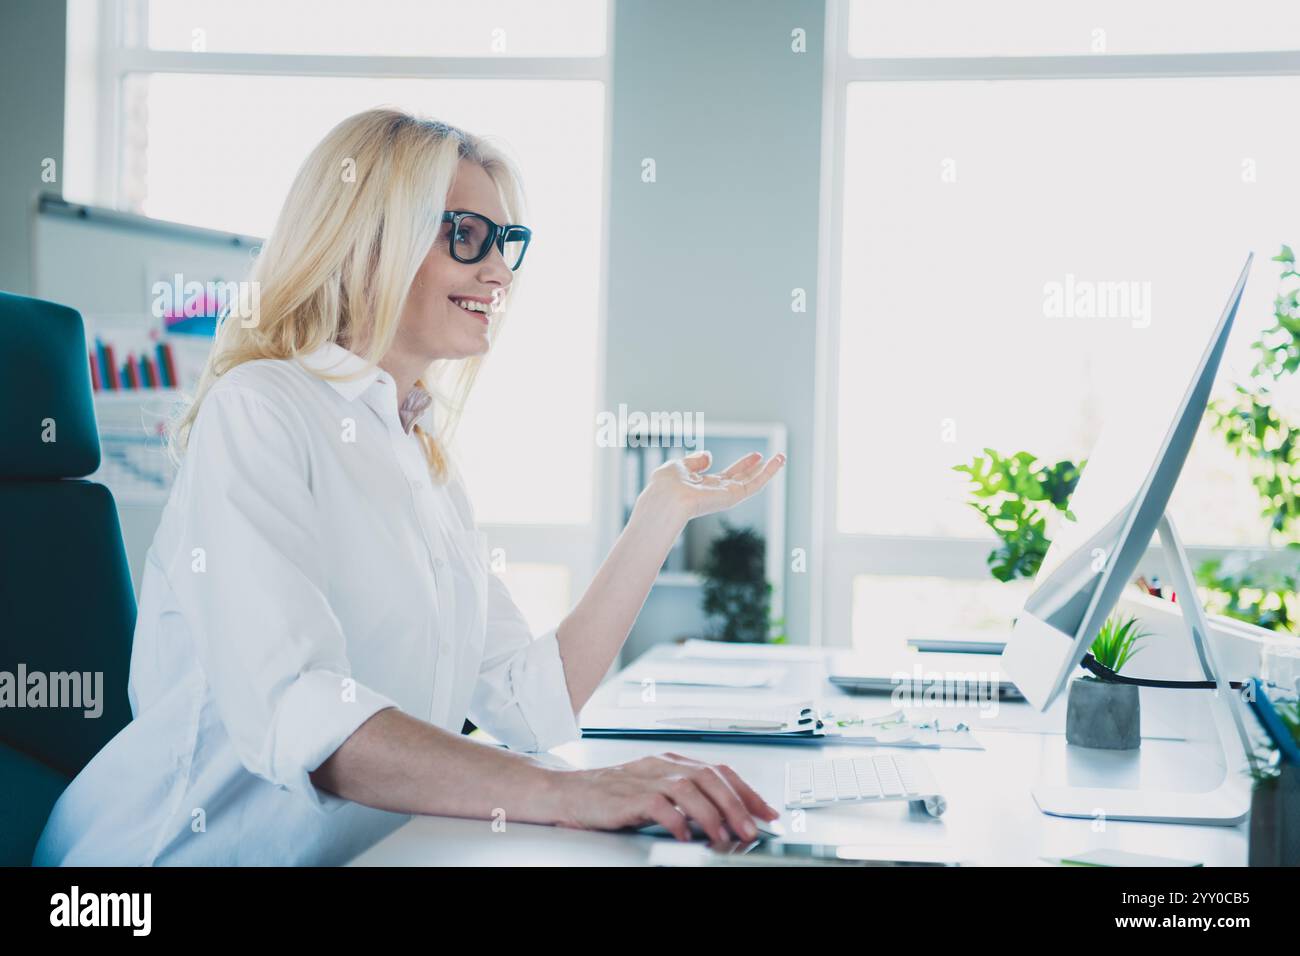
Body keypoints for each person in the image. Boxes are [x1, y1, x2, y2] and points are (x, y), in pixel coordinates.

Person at [34, 108, 786, 865]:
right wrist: (563, 793)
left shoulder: (421, 458)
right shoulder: (260, 408)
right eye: (467, 237)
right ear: (366, 242)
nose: (499, 272)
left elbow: (530, 703)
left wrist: (658, 514)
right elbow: (297, 707)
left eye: (506, 244)